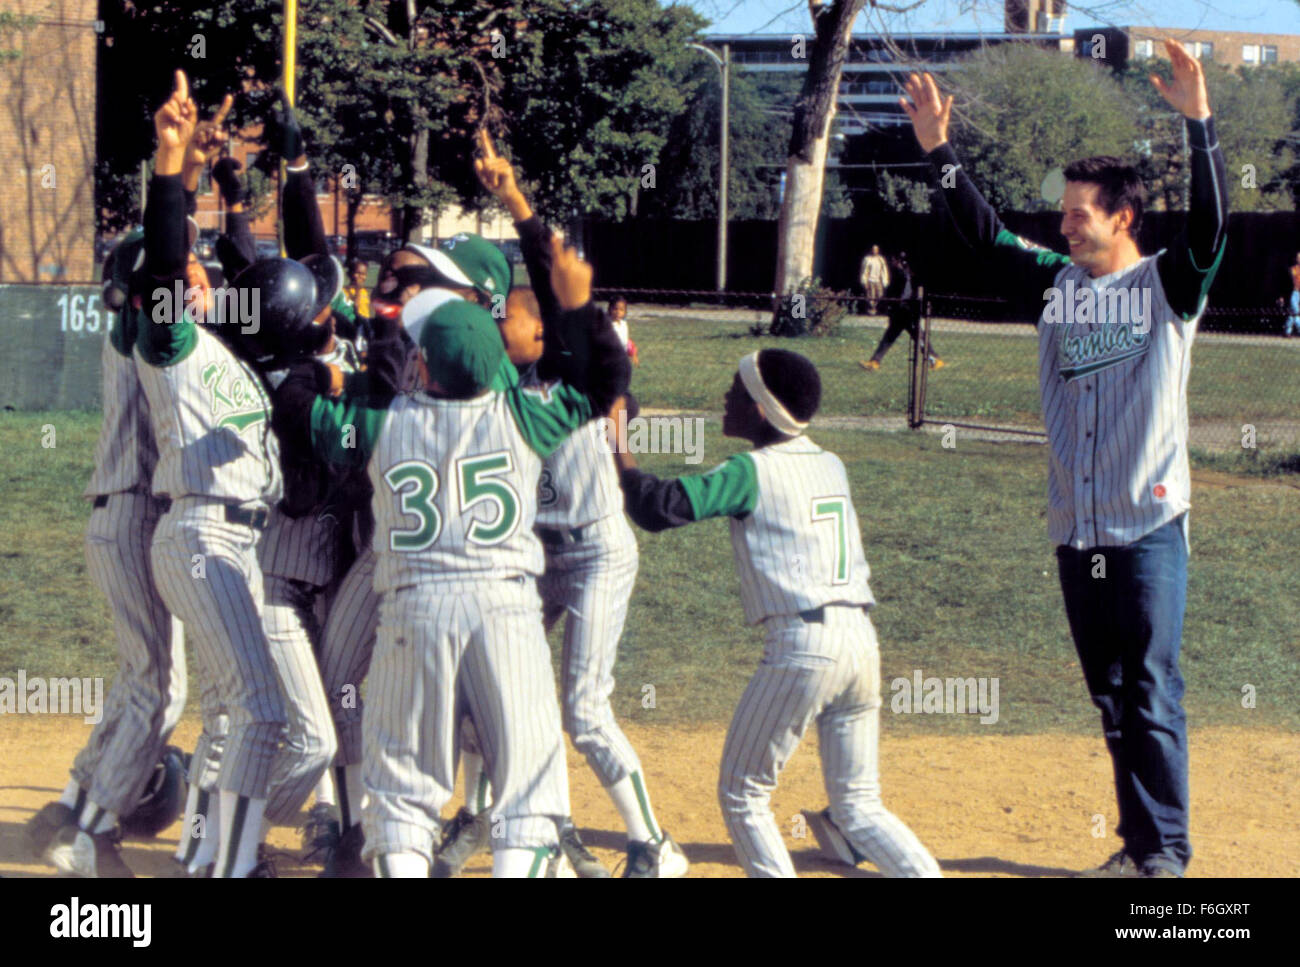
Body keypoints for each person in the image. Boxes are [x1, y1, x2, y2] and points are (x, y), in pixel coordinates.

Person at [901, 37, 1227, 878]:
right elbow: (981, 235)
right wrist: (939, 150)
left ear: (1122, 217)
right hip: (1076, 531)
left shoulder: (1169, 287)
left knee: (1152, 689)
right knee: (1113, 695)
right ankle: (1138, 842)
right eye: (1065, 212)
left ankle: (1168, 857)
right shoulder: (1055, 282)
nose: (1065, 222)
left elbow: (1212, 226)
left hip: (1149, 524)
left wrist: (1200, 126)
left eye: (1080, 211)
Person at [270, 232, 631, 877]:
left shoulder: (381, 427)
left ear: (425, 367)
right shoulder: (528, 415)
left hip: (413, 617)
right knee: (527, 792)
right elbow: (605, 380)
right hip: (508, 613)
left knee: (403, 799)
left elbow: (295, 411)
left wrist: (314, 373)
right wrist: (580, 310)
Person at [429, 133, 685, 878]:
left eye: (517, 313)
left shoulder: (573, 365)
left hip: (599, 546)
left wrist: (517, 205)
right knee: (488, 687)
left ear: (545, 326)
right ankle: (478, 813)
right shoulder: (492, 384)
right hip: (533, 550)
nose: (505, 318)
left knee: (584, 707)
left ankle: (653, 844)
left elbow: (557, 291)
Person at [613, 349, 940, 879]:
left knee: (742, 794)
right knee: (859, 805)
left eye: (737, 392)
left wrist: (618, 444)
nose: (726, 397)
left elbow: (656, 508)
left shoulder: (750, 470)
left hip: (804, 648)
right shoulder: (830, 461)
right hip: (861, 641)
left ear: (761, 411)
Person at [858, 251, 943, 371]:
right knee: (889, 338)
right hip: (901, 312)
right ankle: (874, 362)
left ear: (898, 260)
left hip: (906, 312)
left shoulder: (903, 274)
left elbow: (905, 293)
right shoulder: (903, 273)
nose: (891, 262)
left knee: (919, 338)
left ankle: (935, 359)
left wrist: (900, 304)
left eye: (893, 259)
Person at [608, 295, 639, 365]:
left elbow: (626, 341)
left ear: (625, 312)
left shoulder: (624, 324)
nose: (618, 312)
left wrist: (633, 354)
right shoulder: (608, 325)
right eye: (615, 309)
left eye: (621, 309)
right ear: (610, 309)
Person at [859, 244, 889, 314]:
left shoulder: (881, 259)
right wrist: (864, 281)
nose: (874, 251)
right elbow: (864, 271)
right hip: (870, 280)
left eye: (876, 249)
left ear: (878, 250)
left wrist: (885, 280)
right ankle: (872, 310)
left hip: (879, 281)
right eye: (873, 249)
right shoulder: (867, 259)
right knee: (871, 296)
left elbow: (884, 271)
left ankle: (877, 309)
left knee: (880, 295)